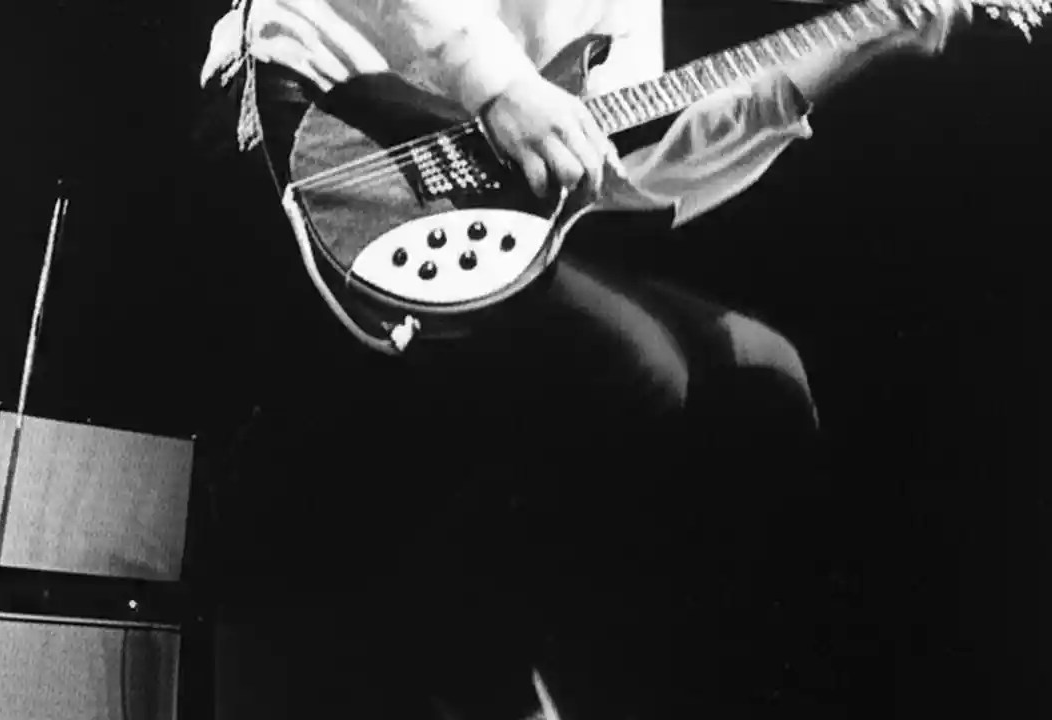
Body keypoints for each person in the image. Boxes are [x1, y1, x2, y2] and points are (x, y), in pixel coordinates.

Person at [193, 1, 969, 718]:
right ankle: (466, 652)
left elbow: (628, 165)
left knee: (766, 378)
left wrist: (849, 46)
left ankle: (511, 646)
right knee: (641, 371)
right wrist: (499, 85)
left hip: (456, 186)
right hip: (325, 106)